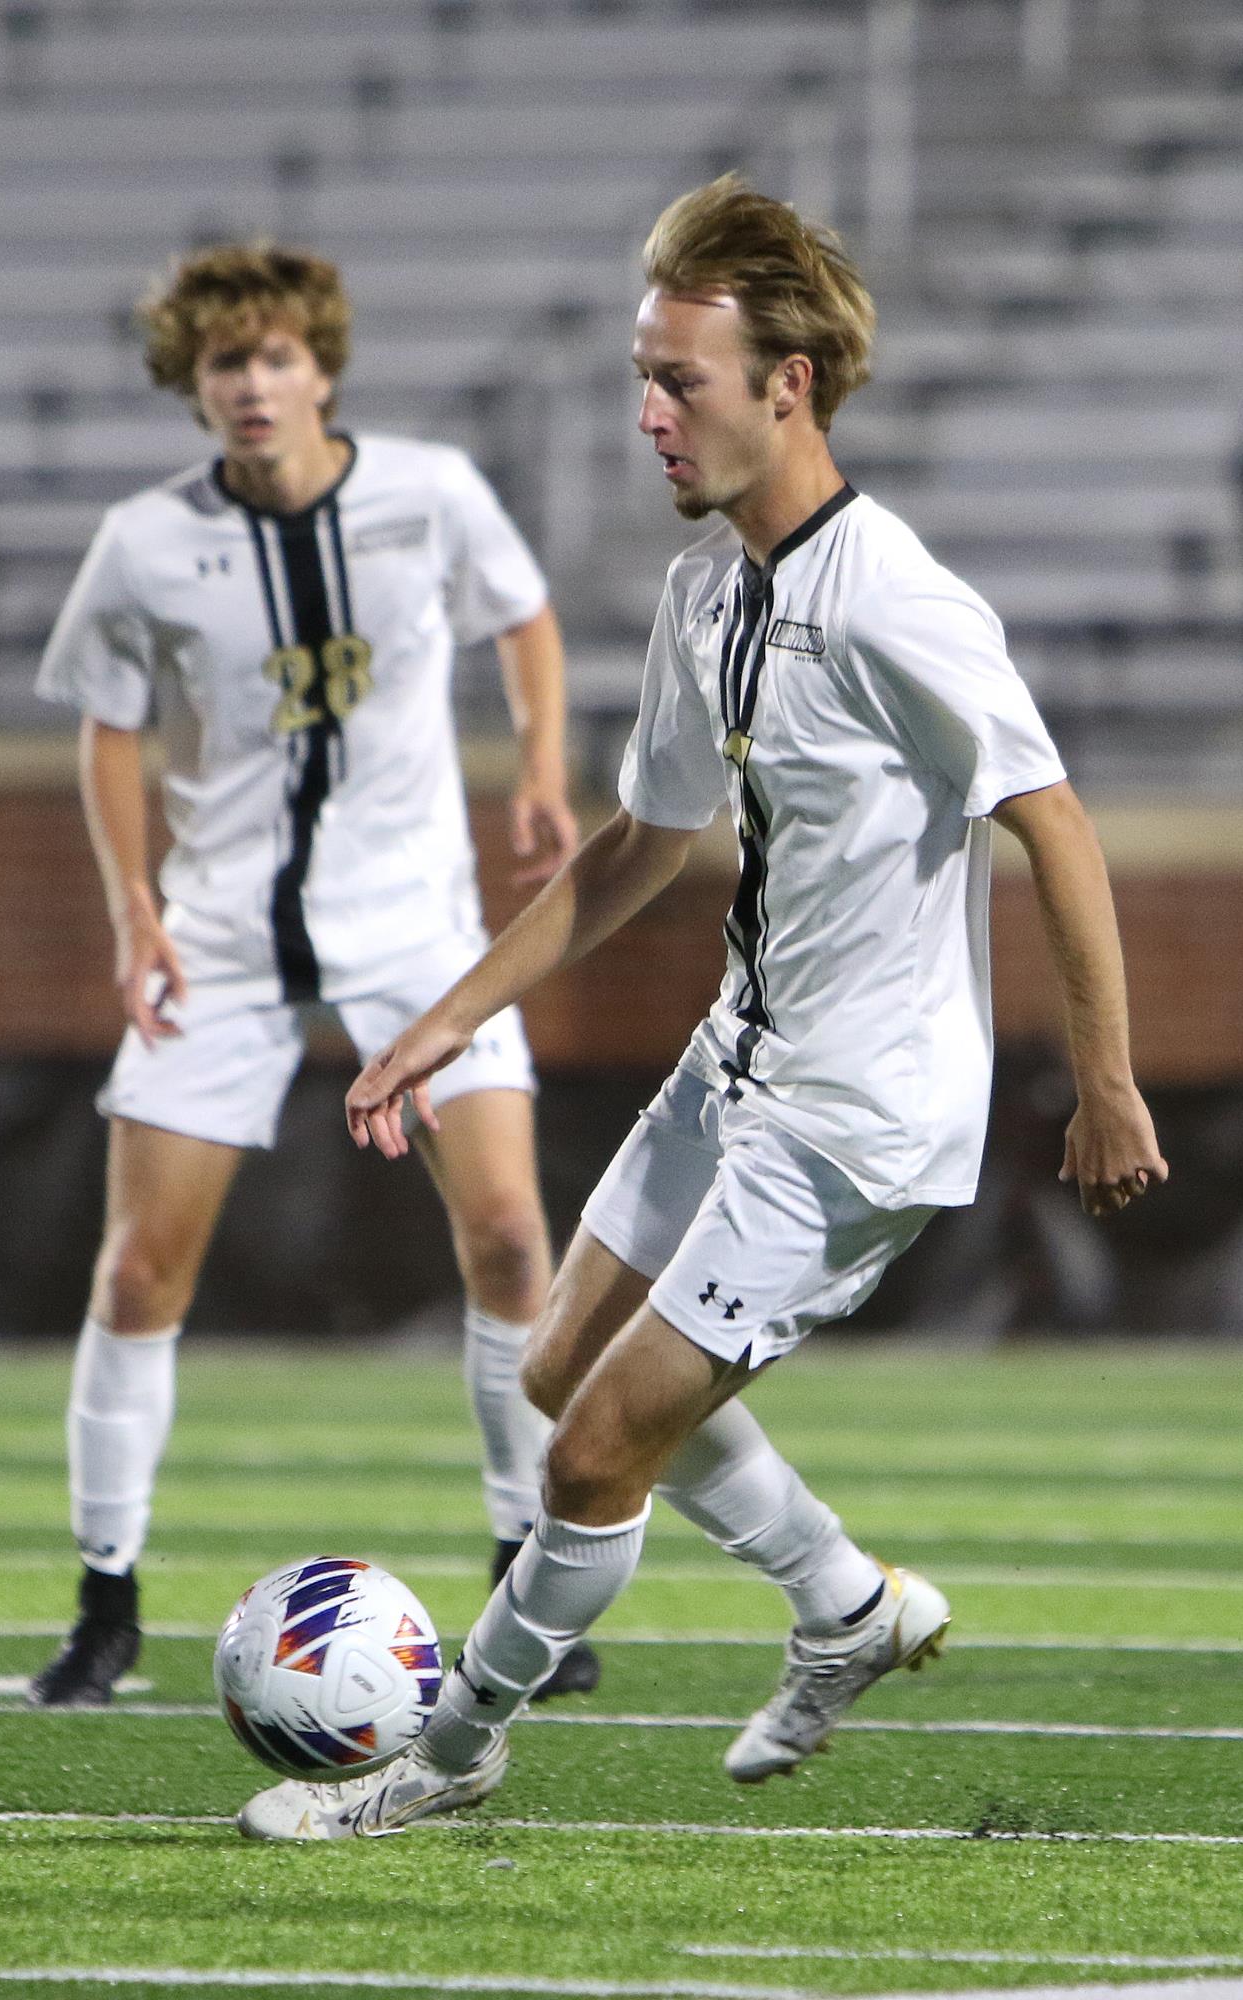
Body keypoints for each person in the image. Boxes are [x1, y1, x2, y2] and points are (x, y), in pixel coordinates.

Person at [235, 178, 1168, 1842]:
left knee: (591, 1460)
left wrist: (1103, 1079)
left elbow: (1055, 823)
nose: (647, 416)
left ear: (787, 384)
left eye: (682, 382)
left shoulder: (891, 595)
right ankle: (843, 1605)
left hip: (854, 1117)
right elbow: (643, 845)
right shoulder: (708, 594)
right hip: (735, 1068)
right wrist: (448, 1015)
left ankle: (443, 1763)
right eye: (640, 378)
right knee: (552, 1379)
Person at [30, 242, 600, 1707]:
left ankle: (522, 1574)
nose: (251, 384)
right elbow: (103, 720)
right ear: (195, 385)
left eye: (274, 356)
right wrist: (132, 907)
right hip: (218, 930)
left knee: (510, 1241)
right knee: (141, 1268)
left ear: (322, 367)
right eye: (225, 362)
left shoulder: (428, 492)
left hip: (415, 924)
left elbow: (524, 615)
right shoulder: (144, 544)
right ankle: (106, 1601)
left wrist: (541, 763)